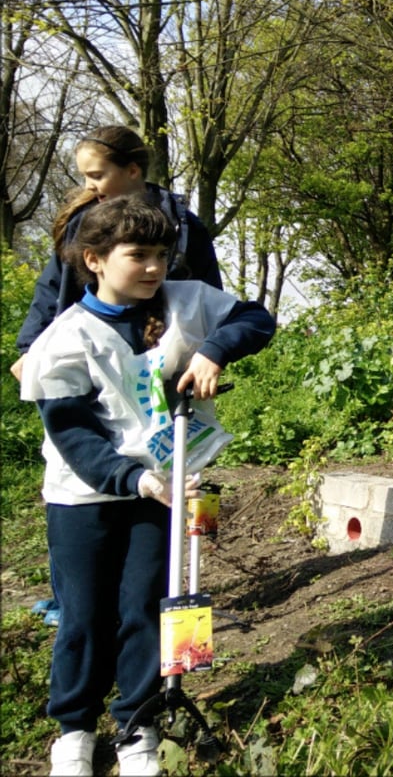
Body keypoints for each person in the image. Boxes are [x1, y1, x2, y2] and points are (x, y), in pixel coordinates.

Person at [18, 196, 275, 777]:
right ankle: (75, 732)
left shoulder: (187, 303)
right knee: (83, 615)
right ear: (95, 259)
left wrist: (214, 349)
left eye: (161, 254)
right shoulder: (67, 337)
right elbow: (73, 434)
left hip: (166, 490)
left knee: (145, 609)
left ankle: (137, 725)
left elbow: (256, 318)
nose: (155, 267)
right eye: (138, 255)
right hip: (85, 496)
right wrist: (135, 479)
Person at [12, 125, 222, 629]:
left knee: (156, 479)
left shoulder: (183, 226)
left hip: (158, 368)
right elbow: (52, 289)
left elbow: (211, 299)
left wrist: (209, 353)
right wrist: (31, 347)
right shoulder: (85, 223)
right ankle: (74, 598)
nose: (91, 184)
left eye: (98, 174)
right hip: (85, 360)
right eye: (85, 176)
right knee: (78, 474)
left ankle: (156, 594)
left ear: (132, 171)